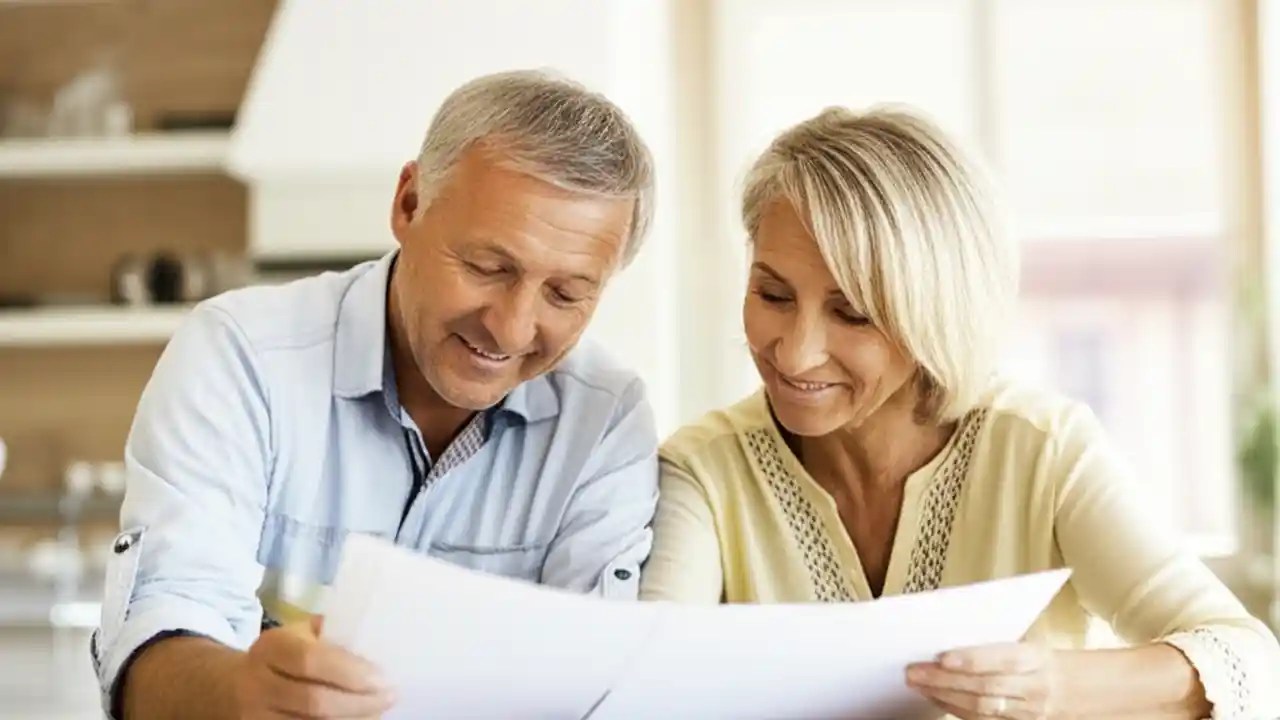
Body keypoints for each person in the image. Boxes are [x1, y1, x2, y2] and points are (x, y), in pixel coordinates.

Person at [640, 106, 1280, 719]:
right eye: (772, 294)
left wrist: (1052, 688)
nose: (796, 353)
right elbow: (644, 685)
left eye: (852, 313)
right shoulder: (703, 472)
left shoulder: (1041, 451)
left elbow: (1249, 663)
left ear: (934, 313)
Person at [93, 69, 660, 720]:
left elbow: (599, 686)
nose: (510, 327)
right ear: (409, 203)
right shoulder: (242, 356)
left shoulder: (606, 422)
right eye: (486, 267)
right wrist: (243, 694)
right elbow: (157, 641)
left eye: (565, 294)